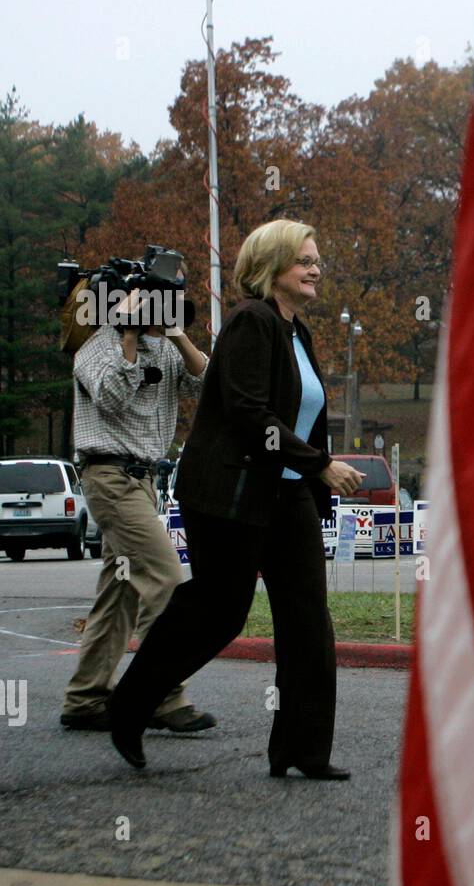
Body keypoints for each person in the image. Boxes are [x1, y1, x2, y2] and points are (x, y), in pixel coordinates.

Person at [106, 219, 363, 778]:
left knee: (308, 622)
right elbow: (250, 416)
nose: (316, 268)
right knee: (219, 611)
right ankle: (128, 706)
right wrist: (320, 465)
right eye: (304, 260)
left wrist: (311, 474)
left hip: (287, 496)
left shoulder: (299, 332)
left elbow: (299, 416)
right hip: (231, 493)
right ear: (272, 267)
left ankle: (301, 751)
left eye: (318, 259)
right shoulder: (253, 322)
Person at [62, 284, 216, 736]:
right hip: (109, 476)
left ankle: (85, 698)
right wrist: (127, 335)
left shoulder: (165, 348)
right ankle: (164, 697)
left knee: (121, 590)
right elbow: (111, 398)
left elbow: (208, 383)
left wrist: (177, 334)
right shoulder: (95, 348)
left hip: (145, 479)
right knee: (166, 578)